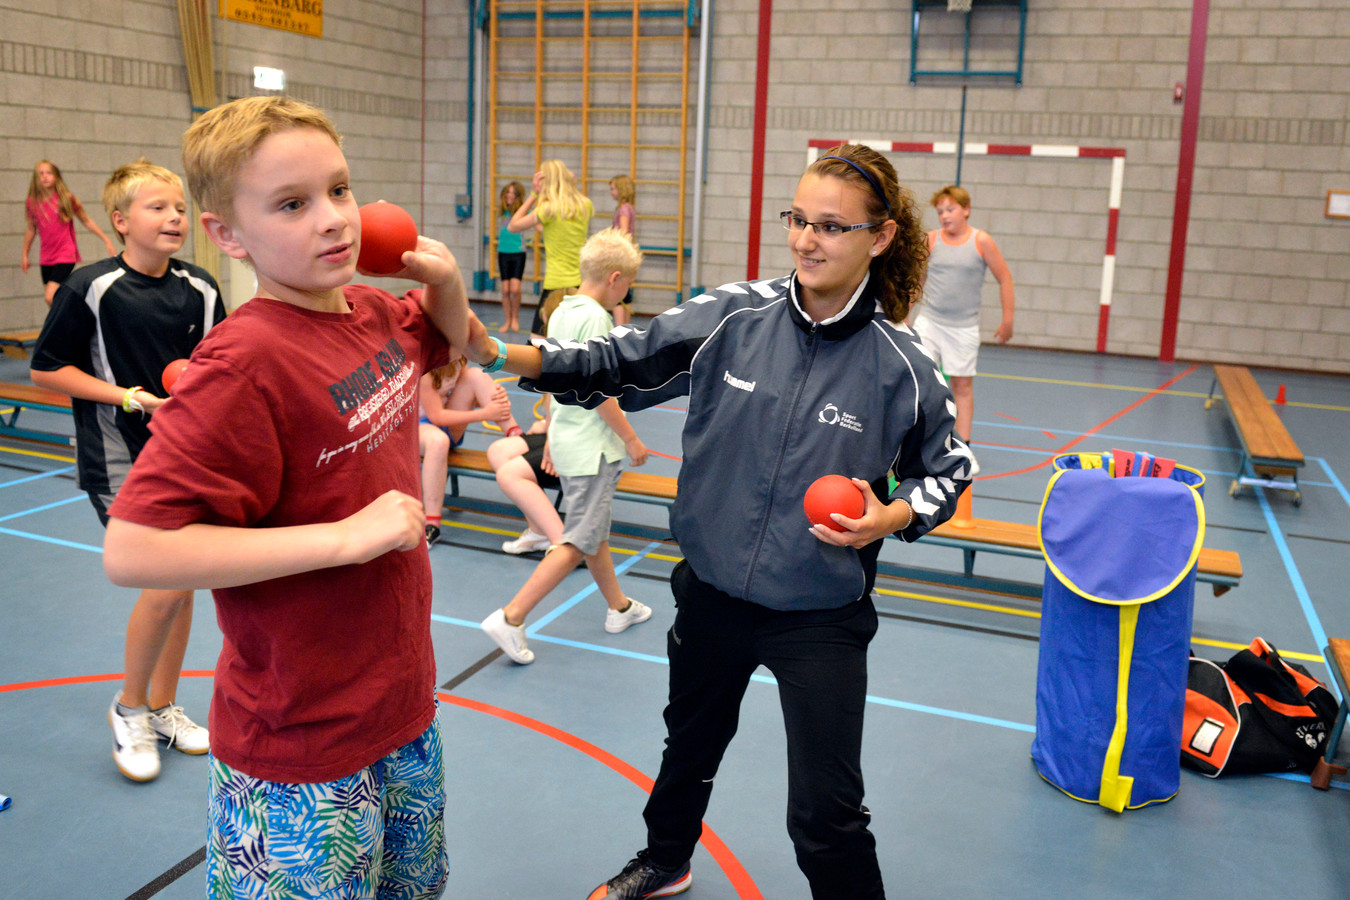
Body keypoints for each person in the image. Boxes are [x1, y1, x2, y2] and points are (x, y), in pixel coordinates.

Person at [462, 144, 973, 898]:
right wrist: (500, 350)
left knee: (826, 816)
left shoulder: (904, 364)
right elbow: (617, 359)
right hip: (710, 594)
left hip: (819, 615)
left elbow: (950, 470)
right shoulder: (733, 316)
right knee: (688, 748)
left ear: (882, 236)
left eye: (831, 226)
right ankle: (666, 859)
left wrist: (889, 515)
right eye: (799, 219)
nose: (806, 239)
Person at [100, 96, 468, 898]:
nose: (334, 219)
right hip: (298, 750)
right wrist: (343, 537)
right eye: (292, 205)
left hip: (400, 708)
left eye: (339, 190)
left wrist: (447, 283)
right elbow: (134, 548)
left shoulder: (369, 310)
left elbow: (448, 342)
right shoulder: (245, 364)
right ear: (228, 234)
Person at [30, 158, 225, 783]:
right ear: (120, 221)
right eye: (157, 207)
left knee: (183, 581)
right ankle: (130, 707)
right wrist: (131, 397)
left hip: (187, 453)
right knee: (167, 580)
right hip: (118, 455)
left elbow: (218, 367)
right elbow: (45, 369)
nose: (174, 217)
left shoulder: (202, 287)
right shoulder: (89, 286)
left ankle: (164, 705)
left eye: (178, 208)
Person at [479, 228, 653, 665]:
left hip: (570, 442)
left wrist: (553, 436)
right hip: (594, 448)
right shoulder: (597, 318)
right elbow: (598, 392)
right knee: (578, 539)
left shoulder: (560, 311)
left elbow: (554, 382)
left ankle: (620, 608)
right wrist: (630, 438)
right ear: (615, 279)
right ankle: (512, 616)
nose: (625, 292)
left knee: (593, 531)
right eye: (628, 284)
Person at [910, 184, 1015, 465]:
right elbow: (918, 282)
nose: (945, 216)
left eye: (951, 209)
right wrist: (905, 313)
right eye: (940, 211)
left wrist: (1007, 319)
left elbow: (1004, 277)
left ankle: (964, 448)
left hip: (963, 328)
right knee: (920, 381)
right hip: (930, 322)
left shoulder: (981, 241)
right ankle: (917, 442)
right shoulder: (931, 240)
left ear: (966, 210)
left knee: (962, 386)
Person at [418, 356, 522, 544]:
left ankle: (517, 436)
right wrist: (486, 413)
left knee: (477, 375)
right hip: (419, 427)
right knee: (438, 441)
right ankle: (432, 523)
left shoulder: (458, 359)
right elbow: (437, 416)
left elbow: (470, 390)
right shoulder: (426, 369)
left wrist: (496, 397)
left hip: (446, 423)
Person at [507, 159, 593, 340]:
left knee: (536, 340)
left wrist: (533, 194)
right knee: (574, 338)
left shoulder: (547, 210)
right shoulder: (584, 205)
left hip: (555, 284)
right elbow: (552, 230)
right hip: (580, 282)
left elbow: (513, 226)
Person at [21, 160, 118, 305]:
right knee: (53, 300)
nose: (45, 177)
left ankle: (68, 322)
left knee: (50, 296)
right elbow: (31, 228)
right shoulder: (32, 202)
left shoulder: (66, 198)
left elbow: (86, 220)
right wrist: (25, 254)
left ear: (56, 176)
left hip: (65, 253)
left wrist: (106, 240)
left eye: (49, 173)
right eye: (41, 174)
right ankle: (71, 322)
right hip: (46, 256)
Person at [487, 398, 564, 555]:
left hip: (581, 440)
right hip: (559, 431)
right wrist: (546, 423)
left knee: (508, 475)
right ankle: (539, 533)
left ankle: (563, 544)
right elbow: (555, 392)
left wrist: (556, 441)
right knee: (499, 451)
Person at [497, 181, 527, 332]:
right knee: (505, 290)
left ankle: (515, 318)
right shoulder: (502, 210)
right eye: (507, 192)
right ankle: (507, 320)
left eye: (513, 193)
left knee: (515, 290)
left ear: (518, 196)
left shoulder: (521, 212)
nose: (510, 196)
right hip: (503, 252)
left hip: (518, 253)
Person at [608, 174, 637, 326]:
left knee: (618, 292)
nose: (611, 191)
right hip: (626, 253)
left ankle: (620, 327)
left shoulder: (624, 209)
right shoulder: (629, 207)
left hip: (621, 254)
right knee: (625, 291)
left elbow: (624, 232)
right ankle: (624, 326)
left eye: (613, 188)